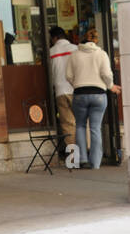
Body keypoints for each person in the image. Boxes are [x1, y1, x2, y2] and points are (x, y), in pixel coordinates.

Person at [65, 28, 113, 169]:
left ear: (82, 39)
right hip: (98, 94)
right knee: (95, 128)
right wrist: (109, 85)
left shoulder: (74, 55)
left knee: (80, 125)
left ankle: (83, 159)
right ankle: (96, 163)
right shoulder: (102, 54)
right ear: (96, 40)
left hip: (79, 93)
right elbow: (106, 74)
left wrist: (77, 84)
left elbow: (68, 75)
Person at [47, 26, 77, 153]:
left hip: (60, 91)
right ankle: (86, 152)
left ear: (54, 38)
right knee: (81, 122)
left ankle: (73, 156)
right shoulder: (75, 49)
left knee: (67, 124)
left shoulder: (51, 52)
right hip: (75, 89)